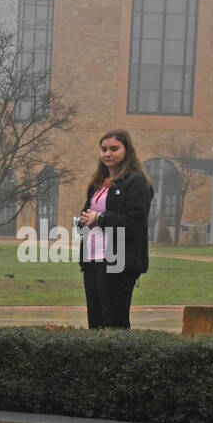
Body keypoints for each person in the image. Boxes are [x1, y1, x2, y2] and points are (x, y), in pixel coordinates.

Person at [78, 129, 153, 329]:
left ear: (127, 151)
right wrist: (83, 221)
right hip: (92, 259)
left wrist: (101, 218)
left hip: (118, 261)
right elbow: (88, 214)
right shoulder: (97, 184)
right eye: (103, 149)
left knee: (114, 322)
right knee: (95, 322)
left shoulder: (136, 182)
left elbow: (136, 224)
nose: (107, 154)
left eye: (114, 149)